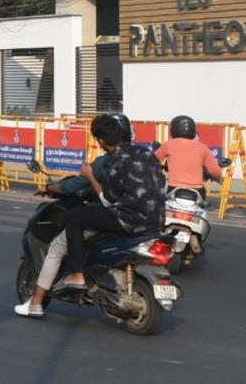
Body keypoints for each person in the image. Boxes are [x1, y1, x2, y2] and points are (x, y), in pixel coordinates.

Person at [17, 113, 165, 317]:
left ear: (101, 140)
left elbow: (106, 200)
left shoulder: (112, 161)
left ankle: (73, 277)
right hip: (156, 219)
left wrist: (89, 176)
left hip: (128, 220)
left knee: (74, 218)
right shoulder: (146, 153)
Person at [155, 115, 223, 201]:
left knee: (161, 206)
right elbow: (214, 170)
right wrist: (219, 179)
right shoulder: (203, 147)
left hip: (174, 189)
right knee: (201, 211)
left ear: (173, 129)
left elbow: (152, 160)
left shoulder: (169, 144)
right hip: (197, 191)